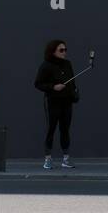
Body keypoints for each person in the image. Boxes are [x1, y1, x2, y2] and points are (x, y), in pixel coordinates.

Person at [34, 39, 79, 169]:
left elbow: (72, 81)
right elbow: (38, 83)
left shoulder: (67, 64)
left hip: (67, 102)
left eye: (65, 49)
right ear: (53, 51)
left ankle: (66, 158)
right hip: (53, 102)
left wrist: (74, 92)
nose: (64, 52)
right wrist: (53, 87)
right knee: (51, 129)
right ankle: (48, 158)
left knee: (65, 129)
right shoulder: (46, 65)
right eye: (61, 50)